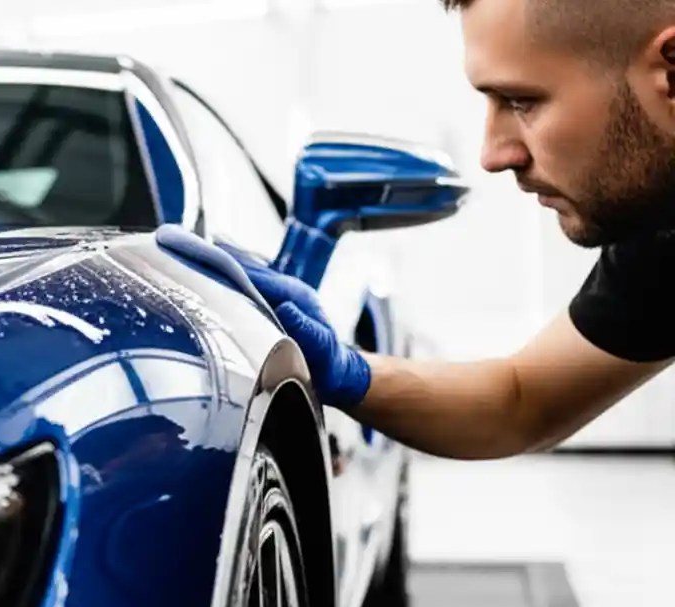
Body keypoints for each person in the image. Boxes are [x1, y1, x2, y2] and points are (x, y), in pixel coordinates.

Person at [220, 0, 675, 460]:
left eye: (522, 102)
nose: (493, 155)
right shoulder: (660, 246)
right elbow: (519, 402)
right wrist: (347, 371)